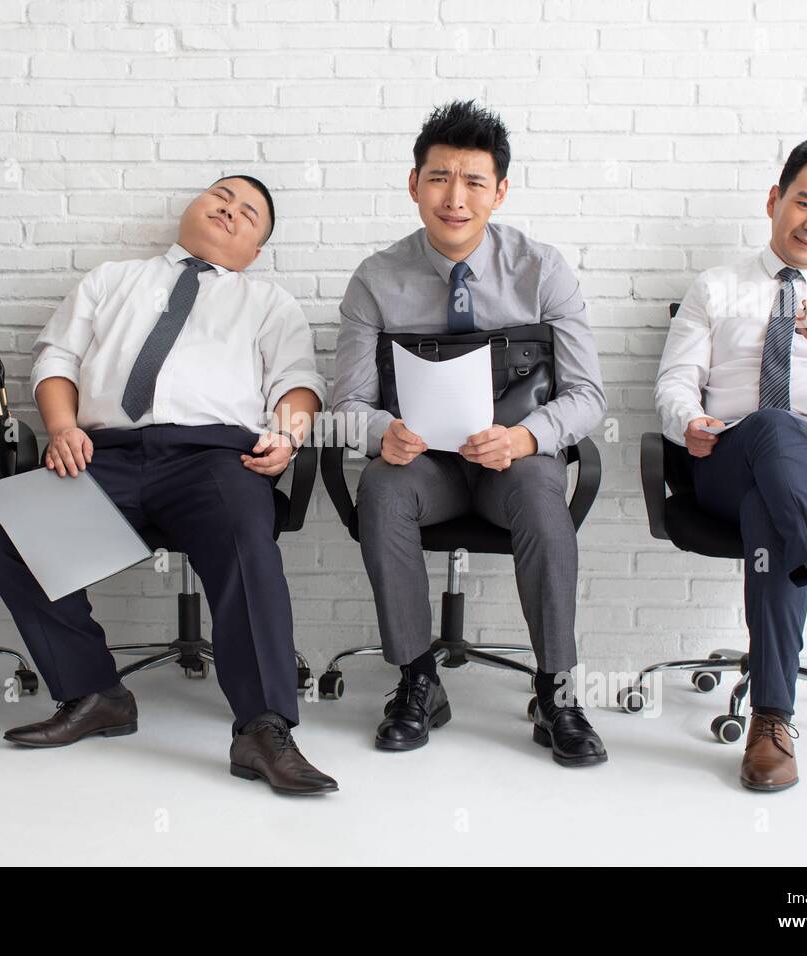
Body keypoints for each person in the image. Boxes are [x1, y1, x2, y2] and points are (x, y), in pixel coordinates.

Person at [0, 174, 338, 796]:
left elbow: (296, 382)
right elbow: (56, 360)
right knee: (9, 529)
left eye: (248, 214)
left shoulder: (268, 302)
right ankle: (94, 694)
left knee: (246, 540)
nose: (230, 210)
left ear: (255, 251)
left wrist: (287, 434)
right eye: (220, 197)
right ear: (191, 211)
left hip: (215, 458)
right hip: (103, 453)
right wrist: (61, 428)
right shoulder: (111, 279)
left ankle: (263, 728)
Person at [331, 100, 608, 765]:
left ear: (499, 190)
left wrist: (526, 438)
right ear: (414, 184)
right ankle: (418, 678)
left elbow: (589, 397)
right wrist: (379, 433)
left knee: (543, 498)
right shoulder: (375, 279)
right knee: (382, 489)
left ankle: (557, 690)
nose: (455, 198)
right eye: (438, 178)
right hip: (428, 468)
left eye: (474, 181)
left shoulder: (543, 271)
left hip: (512, 461)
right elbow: (345, 406)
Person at [654, 138, 807, 792]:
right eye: (804, 202)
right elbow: (674, 385)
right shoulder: (716, 286)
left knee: (777, 504)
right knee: (770, 428)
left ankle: (771, 719)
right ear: (775, 199)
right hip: (730, 460)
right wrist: (690, 422)